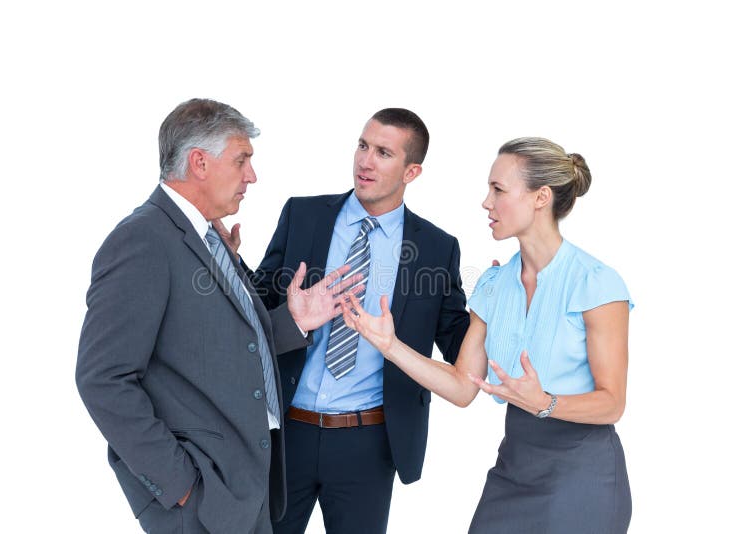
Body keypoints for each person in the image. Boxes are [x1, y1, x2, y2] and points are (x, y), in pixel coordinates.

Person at [75, 98, 362, 534]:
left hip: (247, 488)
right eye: (241, 160)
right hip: (201, 500)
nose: (252, 175)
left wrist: (294, 322)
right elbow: (102, 378)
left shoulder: (209, 237)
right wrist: (179, 486)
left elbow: (222, 343)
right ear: (200, 163)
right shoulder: (142, 240)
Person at [341, 137, 633, 533]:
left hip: (583, 475)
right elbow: (463, 386)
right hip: (514, 469)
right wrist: (390, 346)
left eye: (498, 190)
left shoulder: (596, 283)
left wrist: (544, 403)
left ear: (541, 197)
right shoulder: (494, 285)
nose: (486, 202)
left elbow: (612, 404)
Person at [237, 108, 470, 533]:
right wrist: (229, 260)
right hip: (288, 431)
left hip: (369, 443)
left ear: (411, 171)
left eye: (383, 153)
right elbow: (258, 307)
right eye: (363, 145)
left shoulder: (437, 248)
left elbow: (459, 344)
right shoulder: (303, 215)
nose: (365, 161)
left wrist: (497, 304)